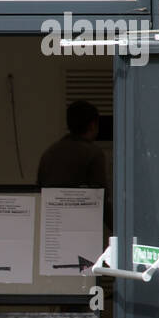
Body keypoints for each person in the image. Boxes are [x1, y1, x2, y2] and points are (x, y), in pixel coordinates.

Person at [36, 99, 112, 230]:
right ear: (93, 125)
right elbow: (100, 196)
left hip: (52, 225)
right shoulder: (94, 153)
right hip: (83, 227)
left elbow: (39, 191)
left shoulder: (49, 153)